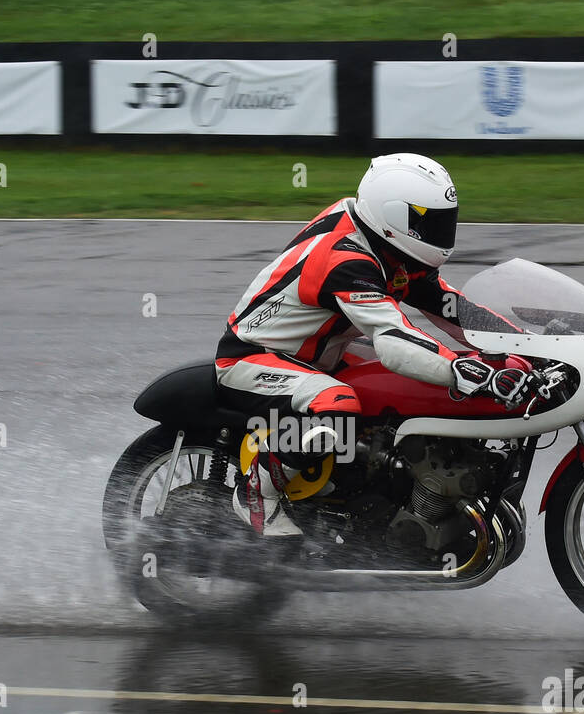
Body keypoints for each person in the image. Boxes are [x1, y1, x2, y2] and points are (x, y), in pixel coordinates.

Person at [215, 152, 549, 537]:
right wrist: (459, 369)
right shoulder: (346, 259)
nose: (440, 232)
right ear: (394, 216)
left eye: (444, 220)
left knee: (401, 393)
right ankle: (259, 488)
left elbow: (449, 306)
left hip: (321, 352)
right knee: (338, 406)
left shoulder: (383, 244)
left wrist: (524, 345)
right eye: (428, 221)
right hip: (254, 356)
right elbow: (393, 339)